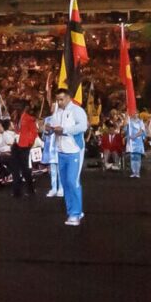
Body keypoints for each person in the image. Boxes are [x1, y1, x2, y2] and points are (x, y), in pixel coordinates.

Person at [45, 87, 87, 227]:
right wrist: (48, 129)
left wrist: (65, 130)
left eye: (61, 99)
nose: (59, 102)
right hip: (60, 151)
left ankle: (75, 214)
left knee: (72, 181)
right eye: (57, 100)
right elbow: (52, 127)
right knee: (66, 184)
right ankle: (73, 211)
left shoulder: (77, 110)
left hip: (74, 150)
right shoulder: (57, 112)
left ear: (68, 98)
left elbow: (83, 127)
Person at [123, 106, 146, 179]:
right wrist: (126, 115)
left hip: (138, 141)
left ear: (138, 114)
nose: (135, 114)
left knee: (137, 157)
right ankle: (133, 172)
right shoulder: (129, 121)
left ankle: (137, 172)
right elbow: (124, 126)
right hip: (131, 142)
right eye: (134, 113)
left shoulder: (140, 121)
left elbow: (142, 131)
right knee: (132, 157)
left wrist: (135, 136)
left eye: (136, 113)